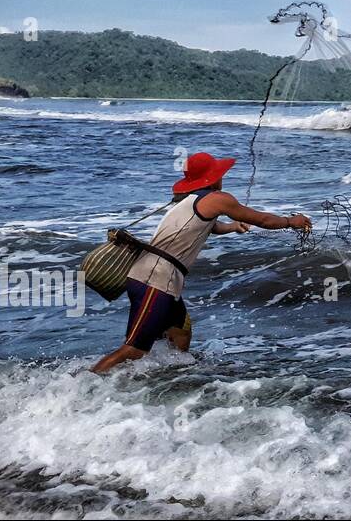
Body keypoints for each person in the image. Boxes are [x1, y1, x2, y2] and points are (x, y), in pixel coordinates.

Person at [90, 152, 311, 374]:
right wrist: (291, 222)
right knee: (134, 350)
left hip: (160, 279)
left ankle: (168, 380)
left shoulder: (190, 201)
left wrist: (233, 227)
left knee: (181, 334)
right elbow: (262, 219)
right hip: (155, 280)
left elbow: (210, 227)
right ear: (213, 177)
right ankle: (83, 384)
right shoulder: (218, 199)